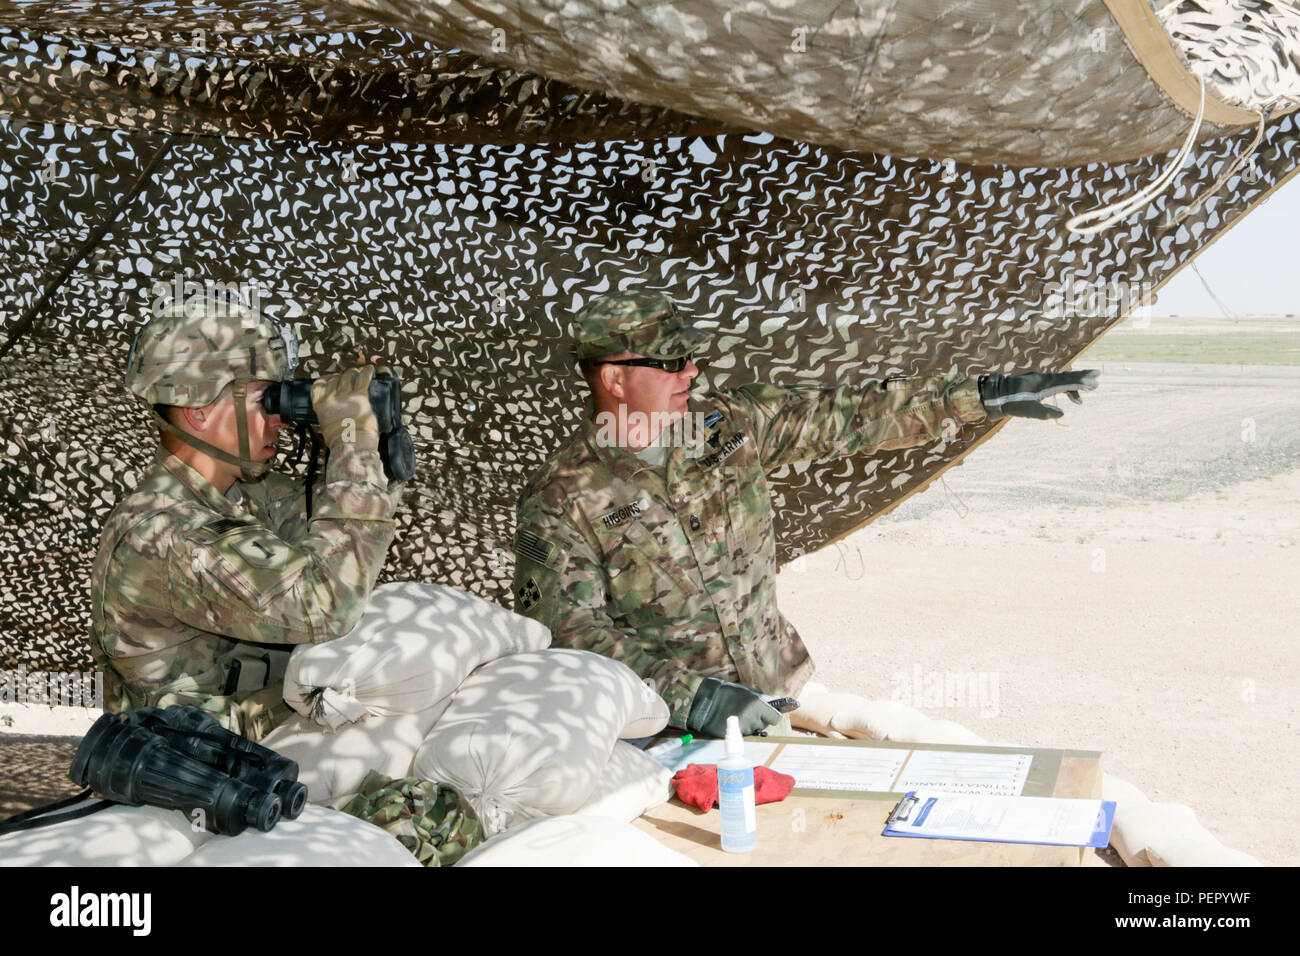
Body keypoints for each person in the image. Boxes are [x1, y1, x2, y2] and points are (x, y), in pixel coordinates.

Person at [511, 290, 1099, 738]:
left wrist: (981, 395)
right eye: (671, 361)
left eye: (692, 357)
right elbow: (568, 632)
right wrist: (696, 699)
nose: (690, 371)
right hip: (660, 728)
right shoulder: (561, 495)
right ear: (614, 377)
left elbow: (850, 415)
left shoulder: (728, 424)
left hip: (776, 693)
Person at [89, 293, 406, 742]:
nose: (280, 420)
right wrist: (350, 441)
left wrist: (373, 434)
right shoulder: (166, 530)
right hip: (192, 771)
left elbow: (347, 541)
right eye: (264, 400)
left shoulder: (242, 494)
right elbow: (326, 605)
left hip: (256, 746)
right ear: (198, 409)